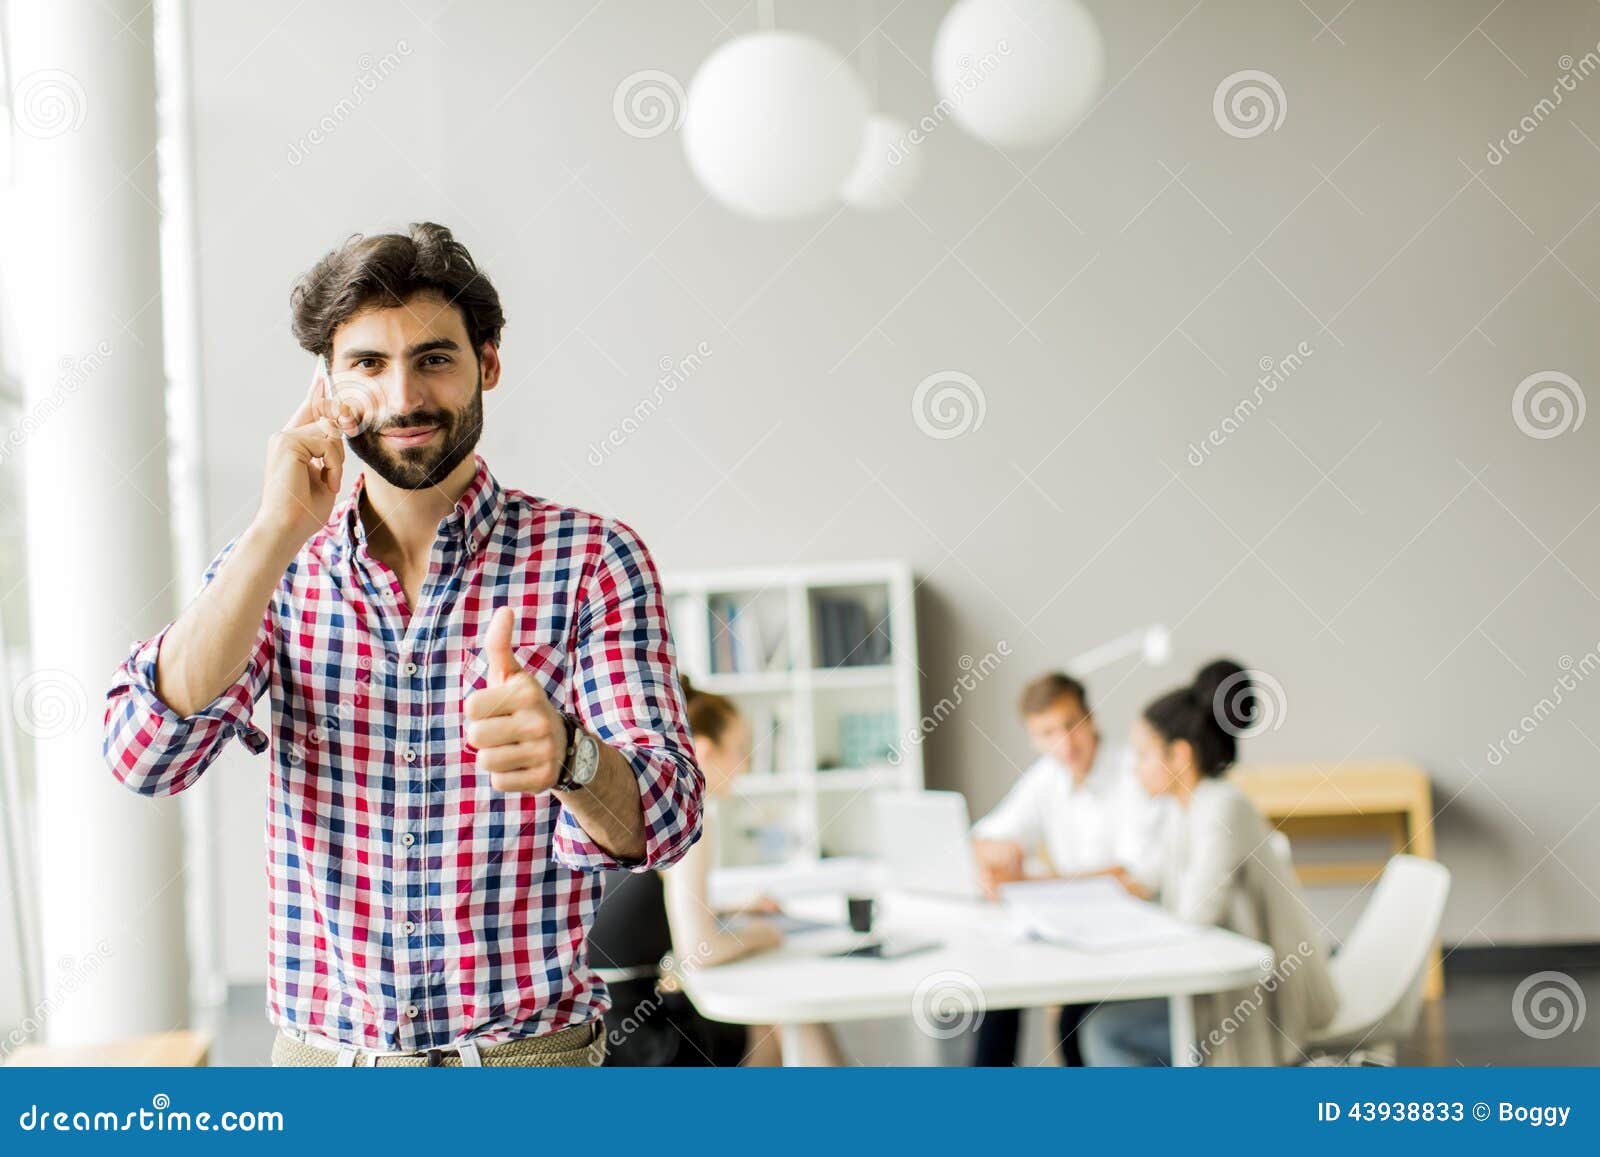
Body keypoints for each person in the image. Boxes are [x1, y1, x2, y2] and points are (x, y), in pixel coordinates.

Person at [103, 222, 704, 1068]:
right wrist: (275, 530)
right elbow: (143, 754)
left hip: (531, 1071)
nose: (402, 398)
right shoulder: (277, 568)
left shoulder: (592, 560)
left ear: (487, 364)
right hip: (325, 1075)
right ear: (328, 385)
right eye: (369, 365)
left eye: (434, 358)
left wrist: (570, 756)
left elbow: (669, 816)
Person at [1079, 660, 1339, 1066]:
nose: (1134, 768)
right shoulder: (1185, 807)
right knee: (1098, 1020)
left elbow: (1196, 914)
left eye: (1143, 755)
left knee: (1106, 1029)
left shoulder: (1222, 808)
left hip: (1264, 1000)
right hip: (1228, 987)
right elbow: (1153, 880)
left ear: (1179, 756)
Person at [590, 677, 842, 1065]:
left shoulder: (644, 806)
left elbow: (651, 911)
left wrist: (733, 911)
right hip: (637, 1037)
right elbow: (698, 951)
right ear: (705, 752)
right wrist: (764, 935)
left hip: (602, 1023)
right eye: (741, 749)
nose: (749, 763)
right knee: (780, 1019)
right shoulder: (686, 816)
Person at [967, 671, 1170, 1066]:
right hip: (1072, 930)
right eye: (1046, 733)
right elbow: (984, 838)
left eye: (1070, 725)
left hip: (1128, 937)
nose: (1064, 743)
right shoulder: (1048, 777)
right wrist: (996, 860)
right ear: (1033, 739)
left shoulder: (1134, 773)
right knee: (996, 995)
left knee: (1075, 1023)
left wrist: (1027, 883)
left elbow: (1133, 880)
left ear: (1091, 718)